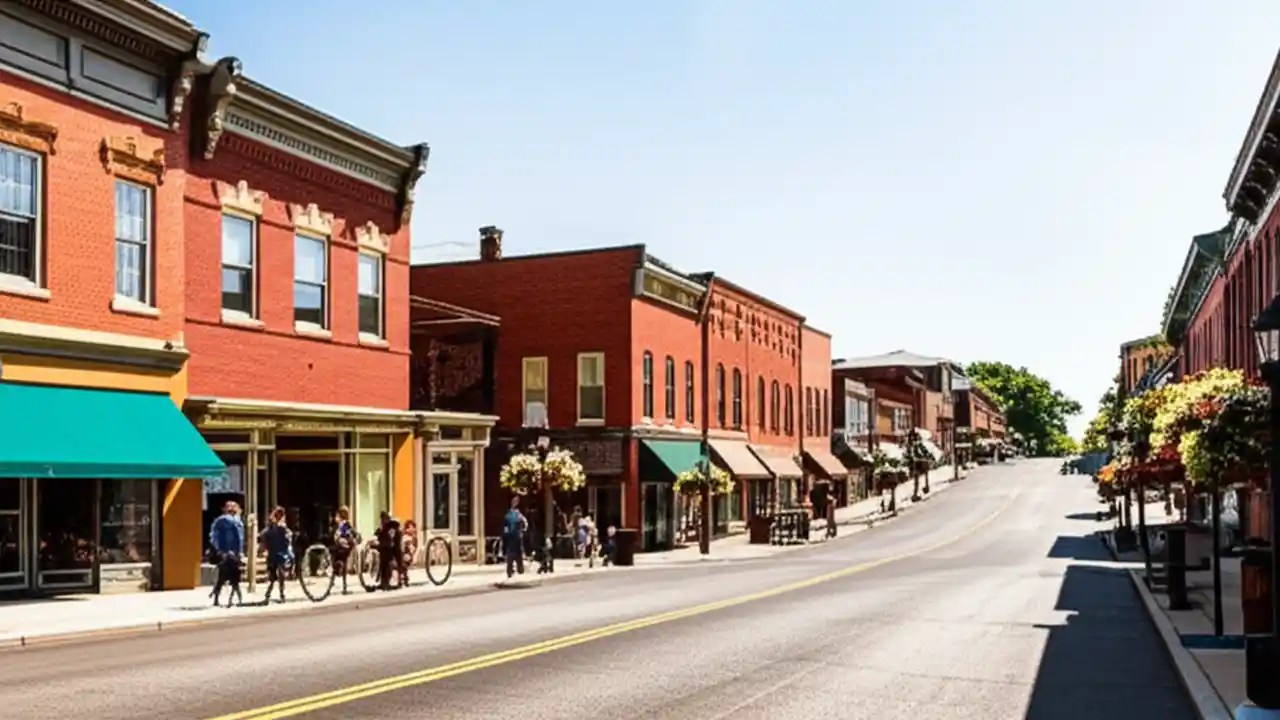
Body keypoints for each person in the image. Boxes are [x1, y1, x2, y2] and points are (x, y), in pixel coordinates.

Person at [208, 501, 245, 607]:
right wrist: (219, 550)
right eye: (229, 507)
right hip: (227, 553)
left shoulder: (238, 521)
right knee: (226, 576)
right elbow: (214, 536)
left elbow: (240, 539)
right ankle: (223, 598)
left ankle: (231, 598)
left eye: (234, 507)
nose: (232, 509)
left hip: (232, 553)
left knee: (231, 576)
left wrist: (239, 553)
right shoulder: (222, 521)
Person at [259, 506, 294, 604]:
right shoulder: (278, 526)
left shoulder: (274, 526)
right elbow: (288, 538)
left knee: (275, 576)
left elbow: (263, 536)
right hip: (278, 553)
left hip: (276, 553)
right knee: (277, 576)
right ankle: (277, 595)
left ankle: (271, 595)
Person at [331, 506, 356, 595]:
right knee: (338, 562)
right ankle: (338, 583)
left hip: (344, 547)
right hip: (340, 547)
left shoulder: (345, 525)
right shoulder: (339, 525)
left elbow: (350, 534)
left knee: (342, 563)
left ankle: (342, 585)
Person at [375, 511, 402, 591]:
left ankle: (386, 582)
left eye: (384, 519)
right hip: (385, 548)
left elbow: (392, 539)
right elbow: (377, 535)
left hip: (392, 549)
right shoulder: (383, 527)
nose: (382, 521)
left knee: (387, 564)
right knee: (383, 563)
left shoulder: (392, 526)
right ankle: (383, 582)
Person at [503, 496, 527, 578]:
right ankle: (514, 569)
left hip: (514, 536)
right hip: (514, 536)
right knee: (514, 553)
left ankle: (515, 569)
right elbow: (525, 524)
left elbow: (525, 524)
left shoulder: (512, 514)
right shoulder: (514, 515)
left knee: (515, 553)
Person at [400, 519, 419, 588]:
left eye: (413, 527)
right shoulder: (403, 536)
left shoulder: (413, 538)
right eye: (409, 527)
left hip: (408, 555)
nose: (412, 529)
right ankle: (403, 578)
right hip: (402, 554)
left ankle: (404, 579)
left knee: (404, 564)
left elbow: (414, 548)